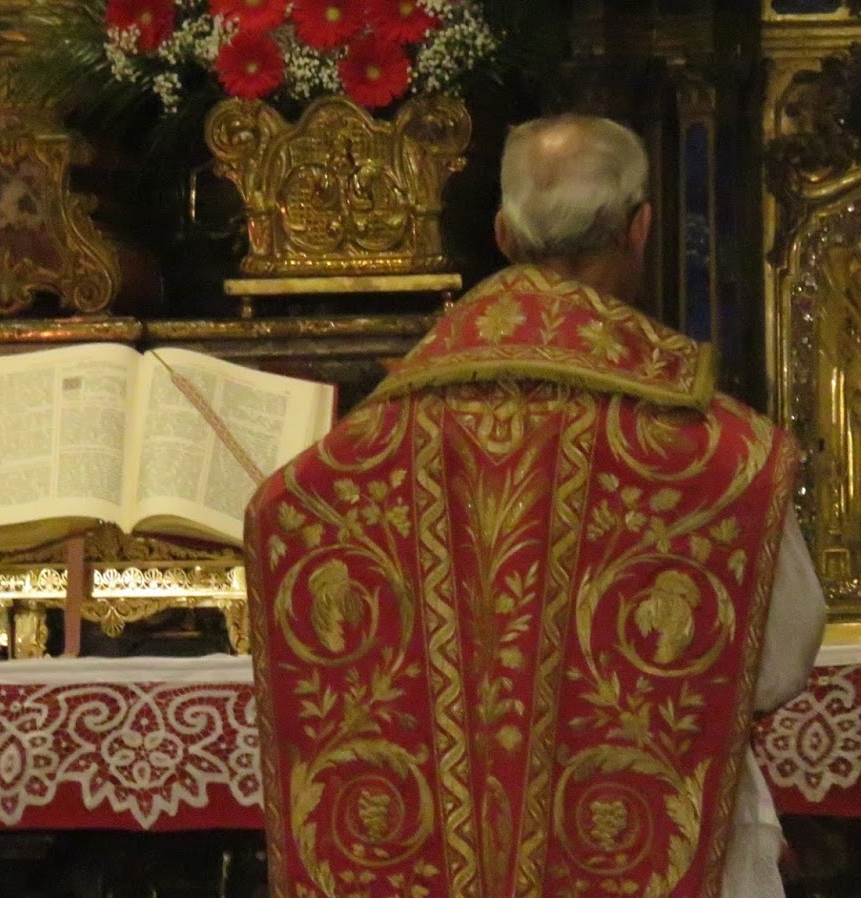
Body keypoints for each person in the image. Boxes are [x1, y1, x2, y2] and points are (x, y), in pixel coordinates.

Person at [244, 114, 825, 898]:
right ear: (641, 229)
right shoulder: (724, 457)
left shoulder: (347, 463)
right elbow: (782, 651)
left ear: (504, 239)